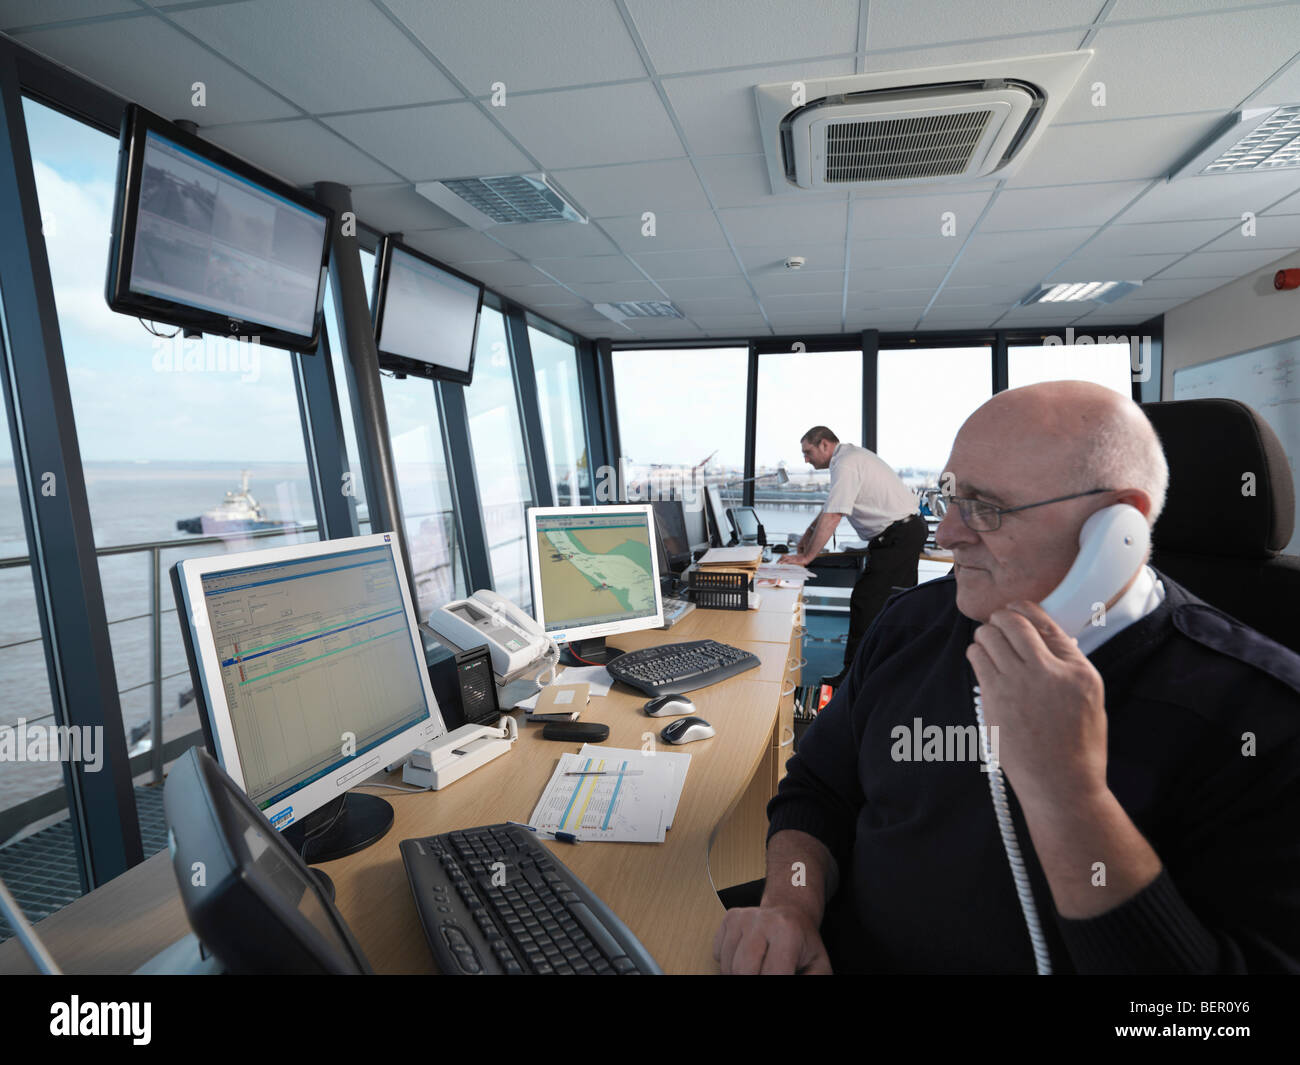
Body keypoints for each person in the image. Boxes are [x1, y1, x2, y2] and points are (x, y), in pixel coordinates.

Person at [715, 382, 1300, 974]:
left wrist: (1068, 793)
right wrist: (790, 903)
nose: (946, 535)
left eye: (987, 508)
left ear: (1118, 527)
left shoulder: (1262, 718)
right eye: (949, 497)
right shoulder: (912, 625)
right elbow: (818, 788)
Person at [779, 426, 927, 685]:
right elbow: (832, 506)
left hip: (899, 536)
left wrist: (806, 558)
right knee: (891, 603)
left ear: (824, 444)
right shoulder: (848, 459)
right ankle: (887, 670)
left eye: (808, 452)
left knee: (867, 601)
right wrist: (809, 532)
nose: (805, 459)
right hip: (902, 533)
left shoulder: (845, 464)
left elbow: (835, 515)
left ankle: (853, 676)